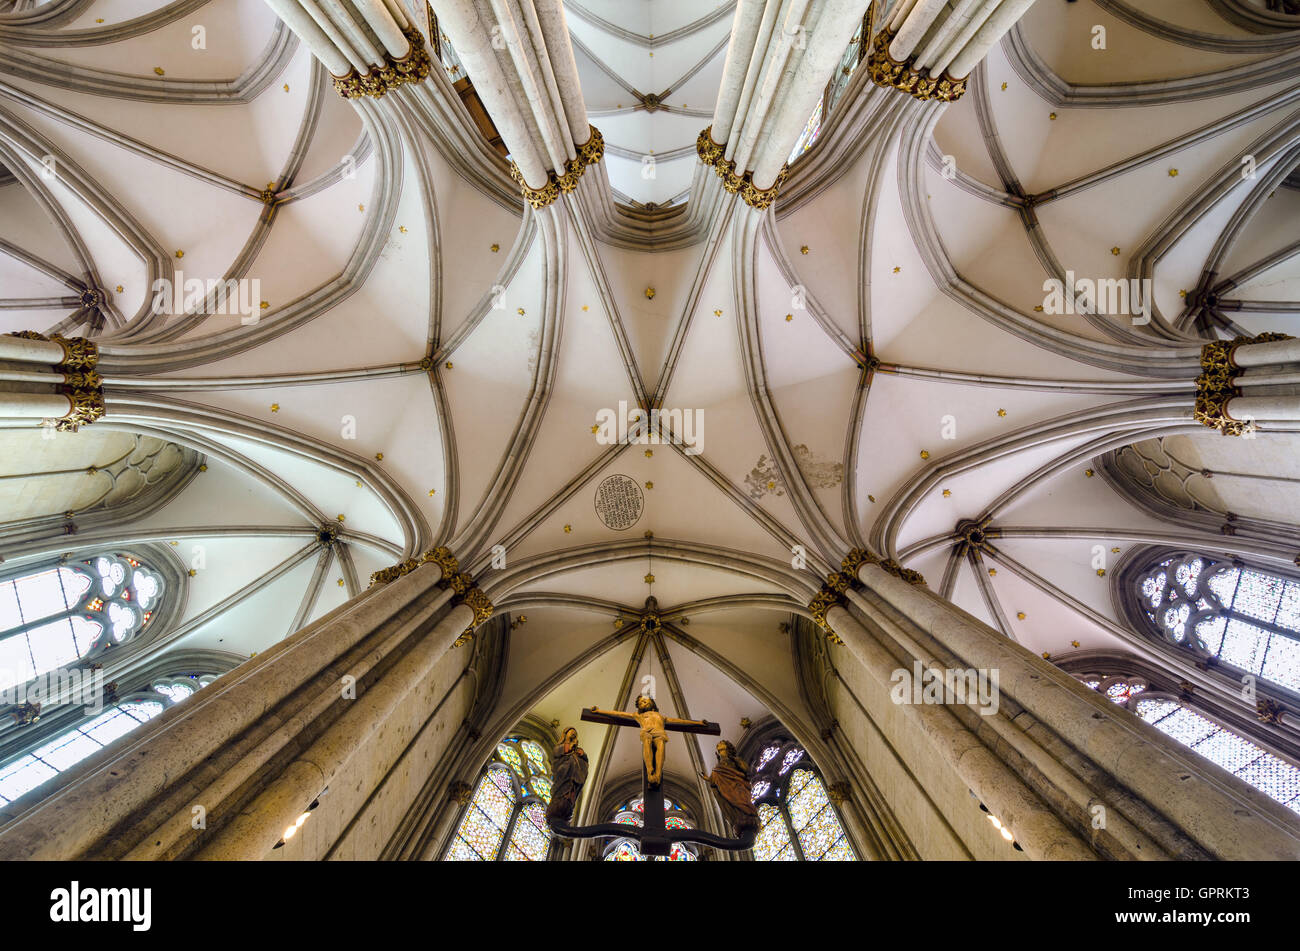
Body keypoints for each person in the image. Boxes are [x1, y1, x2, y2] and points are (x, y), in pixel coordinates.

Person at [701, 740, 759, 836]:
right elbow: (715, 777)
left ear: (727, 747)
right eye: (718, 745)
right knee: (731, 805)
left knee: (741, 802)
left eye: (721, 744)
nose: (719, 744)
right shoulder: (718, 766)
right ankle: (738, 816)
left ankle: (746, 813)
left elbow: (745, 770)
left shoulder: (734, 760)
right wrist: (708, 778)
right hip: (725, 790)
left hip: (737, 785)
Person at [546, 726, 588, 826]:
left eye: (575, 733)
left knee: (571, 792)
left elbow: (584, 762)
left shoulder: (577, 752)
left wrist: (582, 755)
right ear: (565, 735)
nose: (573, 734)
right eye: (571, 732)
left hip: (574, 780)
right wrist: (569, 747)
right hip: (563, 776)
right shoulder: (560, 747)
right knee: (562, 791)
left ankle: (568, 802)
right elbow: (558, 752)